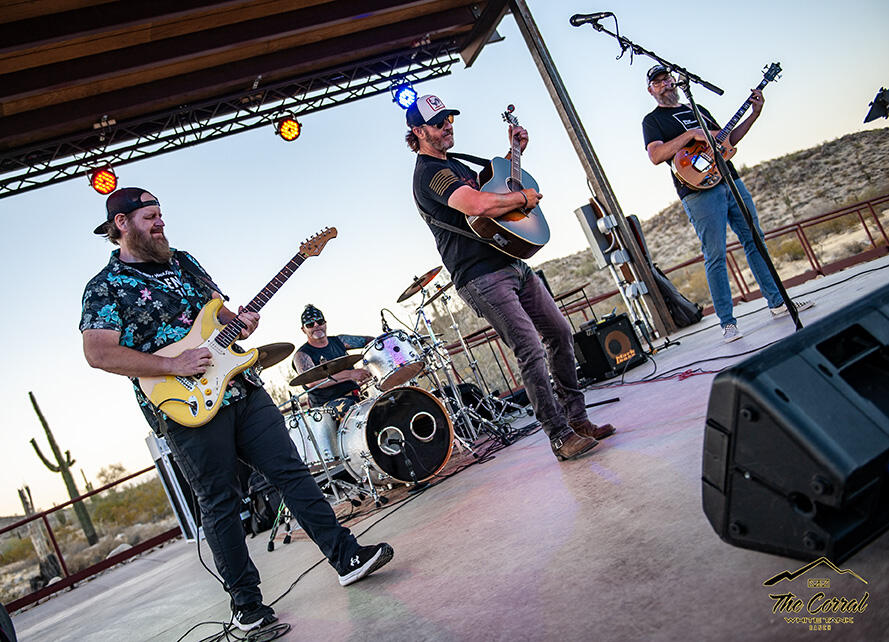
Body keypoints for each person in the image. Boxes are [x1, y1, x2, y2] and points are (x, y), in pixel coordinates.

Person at [79, 188, 393, 632]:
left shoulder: (184, 261)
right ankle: (247, 607)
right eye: (150, 217)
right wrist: (172, 364)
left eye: (161, 215)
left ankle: (347, 557)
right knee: (221, 503)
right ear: (122, 225)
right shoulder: (105, 287)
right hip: (184, 406)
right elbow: (99, 353)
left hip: (240, 387)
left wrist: (241, 322)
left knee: (291, 471)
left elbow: (220, 316)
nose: (160, 223)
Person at [405, 94, 615, 462]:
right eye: (439, 124)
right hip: (480, 275)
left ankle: (578, 419)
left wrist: (514, 152)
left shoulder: (455, 164)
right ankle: (559, 435)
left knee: (560, 332)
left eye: (449, 119)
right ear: (419, 132)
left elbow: (495, 193)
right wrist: (523, 199)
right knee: (530, 348)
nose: (448, 126)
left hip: (512, 261)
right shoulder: (430, 174)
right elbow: (478, 205)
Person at [641, 65, 812, 342]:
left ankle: (779, 303)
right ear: (651, 90)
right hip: (698, 191)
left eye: (667, 79)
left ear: (674, 81)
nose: (664, 84)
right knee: (715, 255)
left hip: (730, 180)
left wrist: (754, 115)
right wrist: (690, 135)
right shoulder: (653, 121)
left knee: (755, 240)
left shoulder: (699, 110)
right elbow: (656, 155)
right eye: (657, 82)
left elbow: (727, 140)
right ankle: (727, 323)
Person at [292, 305, 374, 418]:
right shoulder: (301, 355)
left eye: (320, 322)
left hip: (356, 395)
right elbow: (313, 382)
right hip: (326, 408)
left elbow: (369, 341)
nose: (316, 326)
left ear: (325, 323)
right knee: (357, 414)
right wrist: (350, 374)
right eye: (310, 325)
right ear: (303, 329)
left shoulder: (339, 341)